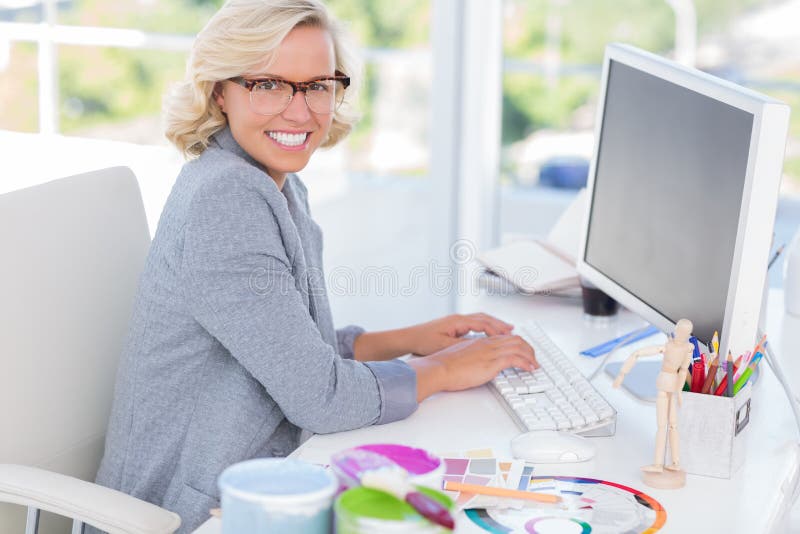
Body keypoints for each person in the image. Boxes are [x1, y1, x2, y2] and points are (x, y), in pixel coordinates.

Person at [94, 0, 537, 531]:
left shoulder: (275, 183)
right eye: (270, 85)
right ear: (220, 91)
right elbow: (323, 398)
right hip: (189, 510)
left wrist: (416, 339)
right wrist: (444, 371)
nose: (301, 112)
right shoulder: (226, 200)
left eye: (318, 85)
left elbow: (301, 351)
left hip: (265, 474)